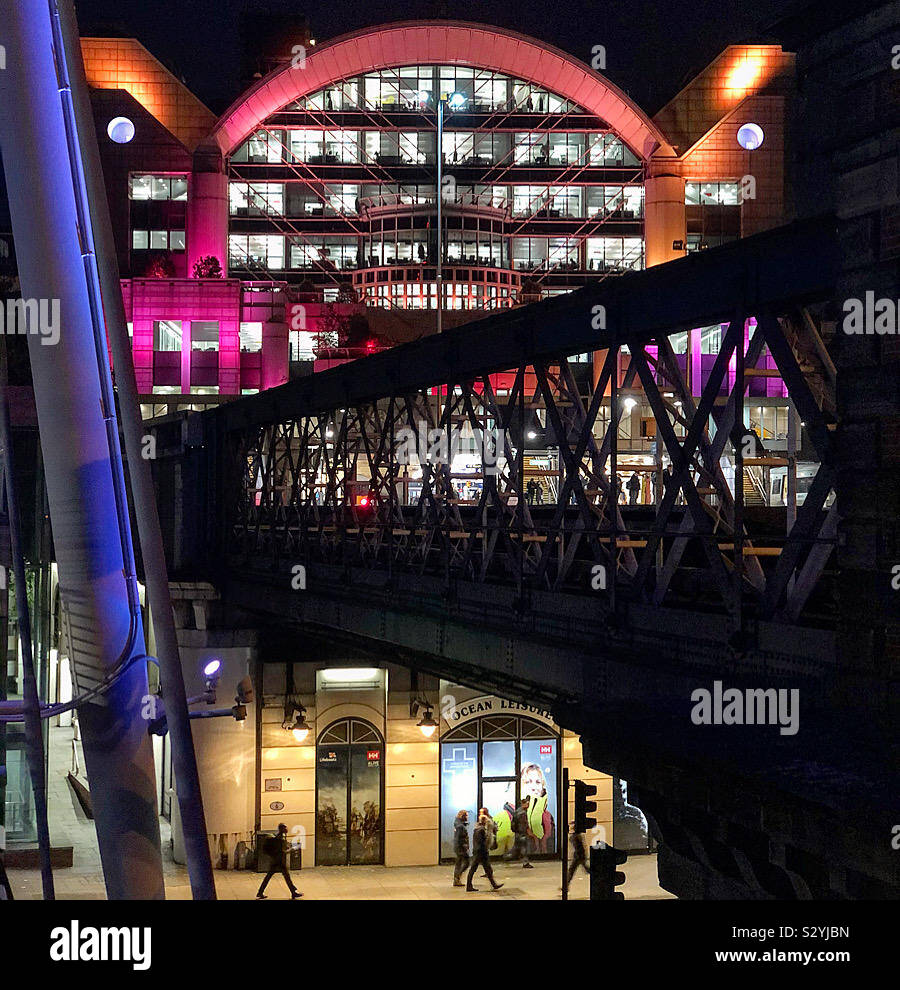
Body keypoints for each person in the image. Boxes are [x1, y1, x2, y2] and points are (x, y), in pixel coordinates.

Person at [256, 823, 302, 899]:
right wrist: (292, 849)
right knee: (286, 877)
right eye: (285, 828)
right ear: (282, 829)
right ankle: (293, 892)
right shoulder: (280, 838)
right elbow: (283, 851)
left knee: (270, 877)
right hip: (279, 861)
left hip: (275, 860)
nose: (287, 829)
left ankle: (260, 892)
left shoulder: (278, 837)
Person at [466, 810, 504, 892]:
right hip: (481, 853)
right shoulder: (482, 830)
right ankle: (469, 885)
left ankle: (494, 884)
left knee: (487, 869)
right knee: (474, 868)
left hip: (478, 851)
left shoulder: (476, 829)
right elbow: (482, 842)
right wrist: (485, 849)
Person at [506, 796, 533, 868]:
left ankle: (508, 856)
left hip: (518, 832)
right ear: (523, 804)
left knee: (517, 847)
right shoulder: (522, 813)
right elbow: (524, 824)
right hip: (522, 833)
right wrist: (528, 832)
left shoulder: (517, 811)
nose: (528, 805)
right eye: (527, 804)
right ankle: (525, 862)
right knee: (523, 848)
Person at [565, 825, 590, 892]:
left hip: (578, 856)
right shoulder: (576, 836)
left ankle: (566, 886)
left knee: (571, 871)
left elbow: (579, 847)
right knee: (585, 869)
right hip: (579, 856)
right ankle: (566, 886)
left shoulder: (575, 836)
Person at [452, 809, 470, 887]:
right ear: (463, 816)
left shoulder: (458, 824)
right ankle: (457, 877)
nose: (467, 817)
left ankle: (457, 878)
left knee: (459, 863)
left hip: (458, 847)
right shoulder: (460, 826)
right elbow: (460, 838)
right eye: (466, 815)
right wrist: (464, 846)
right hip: (461, 847)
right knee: (466, 862)